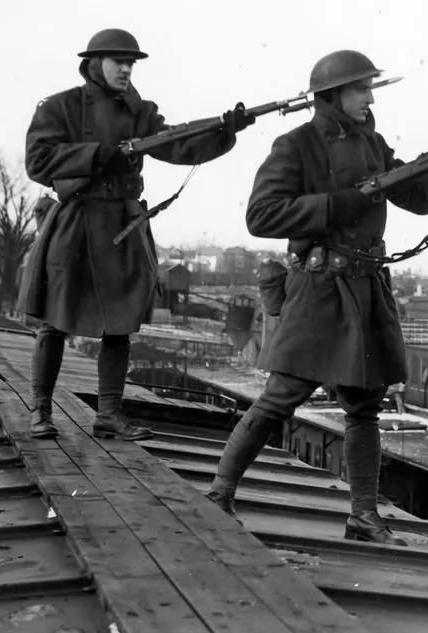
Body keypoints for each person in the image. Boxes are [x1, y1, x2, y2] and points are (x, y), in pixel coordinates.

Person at [206, 50, 428, 545]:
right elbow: (262, 215)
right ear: (334, 94)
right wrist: (338, 204)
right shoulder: (295, 145)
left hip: (364, 290)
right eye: (362, 89)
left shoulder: (373, 143)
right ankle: (219, 496)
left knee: (364, 406)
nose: (371, 97)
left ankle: (362, 516)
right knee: (280, 398)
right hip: (318, 289)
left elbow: (416, 199)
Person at [18, 28, 254, 441]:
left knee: (121, 323)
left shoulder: (138, 109)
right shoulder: (61, 106)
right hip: (74, 222)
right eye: (119, 62)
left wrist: (225, 132)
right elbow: (38, 161)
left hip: (122, 224)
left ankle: (109, 414)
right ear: (94, 64)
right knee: (55, 321)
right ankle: (40, 412)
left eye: (132, 63)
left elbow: (177, 146)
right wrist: (96, 154)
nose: (127, 69)